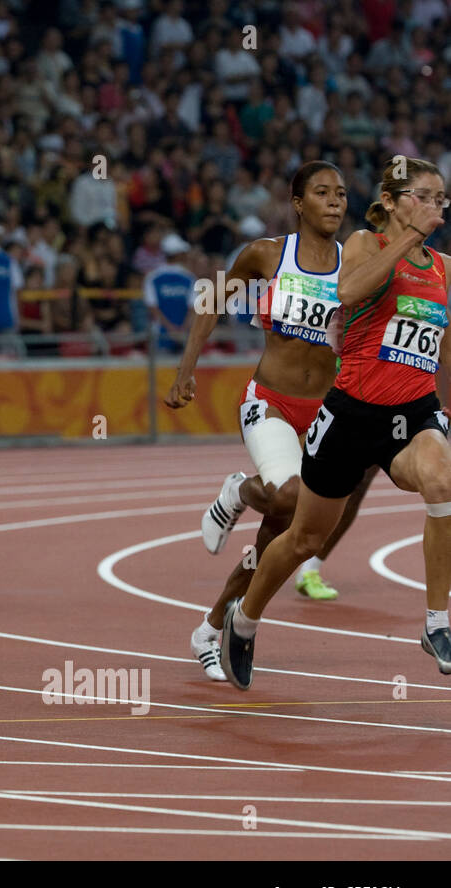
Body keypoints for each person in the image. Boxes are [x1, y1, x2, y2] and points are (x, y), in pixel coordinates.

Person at [221, 156, 451, 689]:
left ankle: (437, 623)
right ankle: (245, 618)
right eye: (423, 196)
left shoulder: (442, 267)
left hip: (413, 411)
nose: (434, 208)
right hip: (350, 413)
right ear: (392, 202)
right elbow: (349, 293)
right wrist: (406, 238)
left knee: (442, 480)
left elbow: (443, 344)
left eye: (441, 200)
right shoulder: (366, 245)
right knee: (302, 537)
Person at [166, 162, 376, 681]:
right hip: (272, 403)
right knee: (285, 497)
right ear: (298, 203)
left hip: (328, 414)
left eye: (342, 193)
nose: (335, 202)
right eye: (322, 193)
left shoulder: (359, 263)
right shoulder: (266, 254)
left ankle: (210, 629)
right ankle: (239, 490)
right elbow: (213, 300)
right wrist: (185, 371)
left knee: (279, 541)